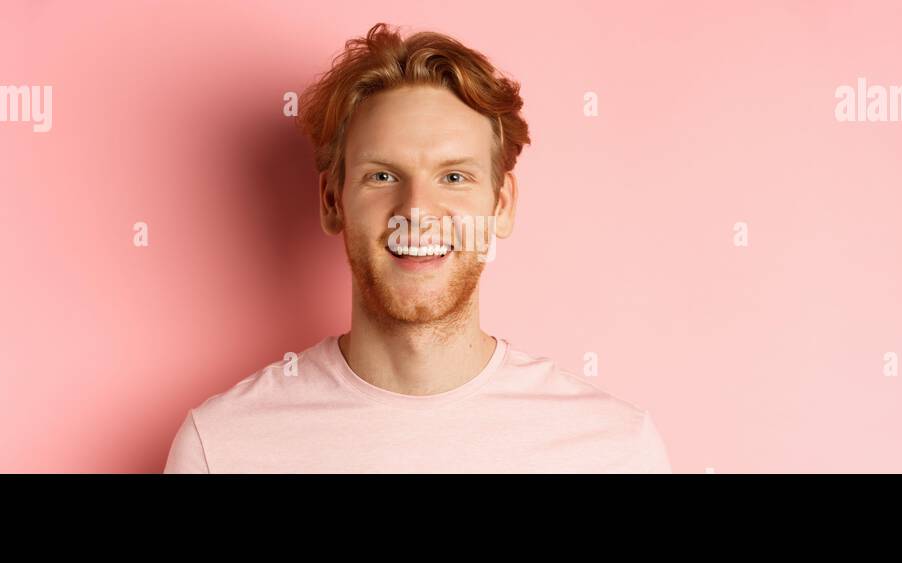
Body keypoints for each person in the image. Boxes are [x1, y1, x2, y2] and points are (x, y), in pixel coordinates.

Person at [163, 22, 671, 473]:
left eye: (454, 176)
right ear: (332, 201)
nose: (417, 211)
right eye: (382, 176)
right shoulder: (224, 447)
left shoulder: (615, 451)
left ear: (502, 204)